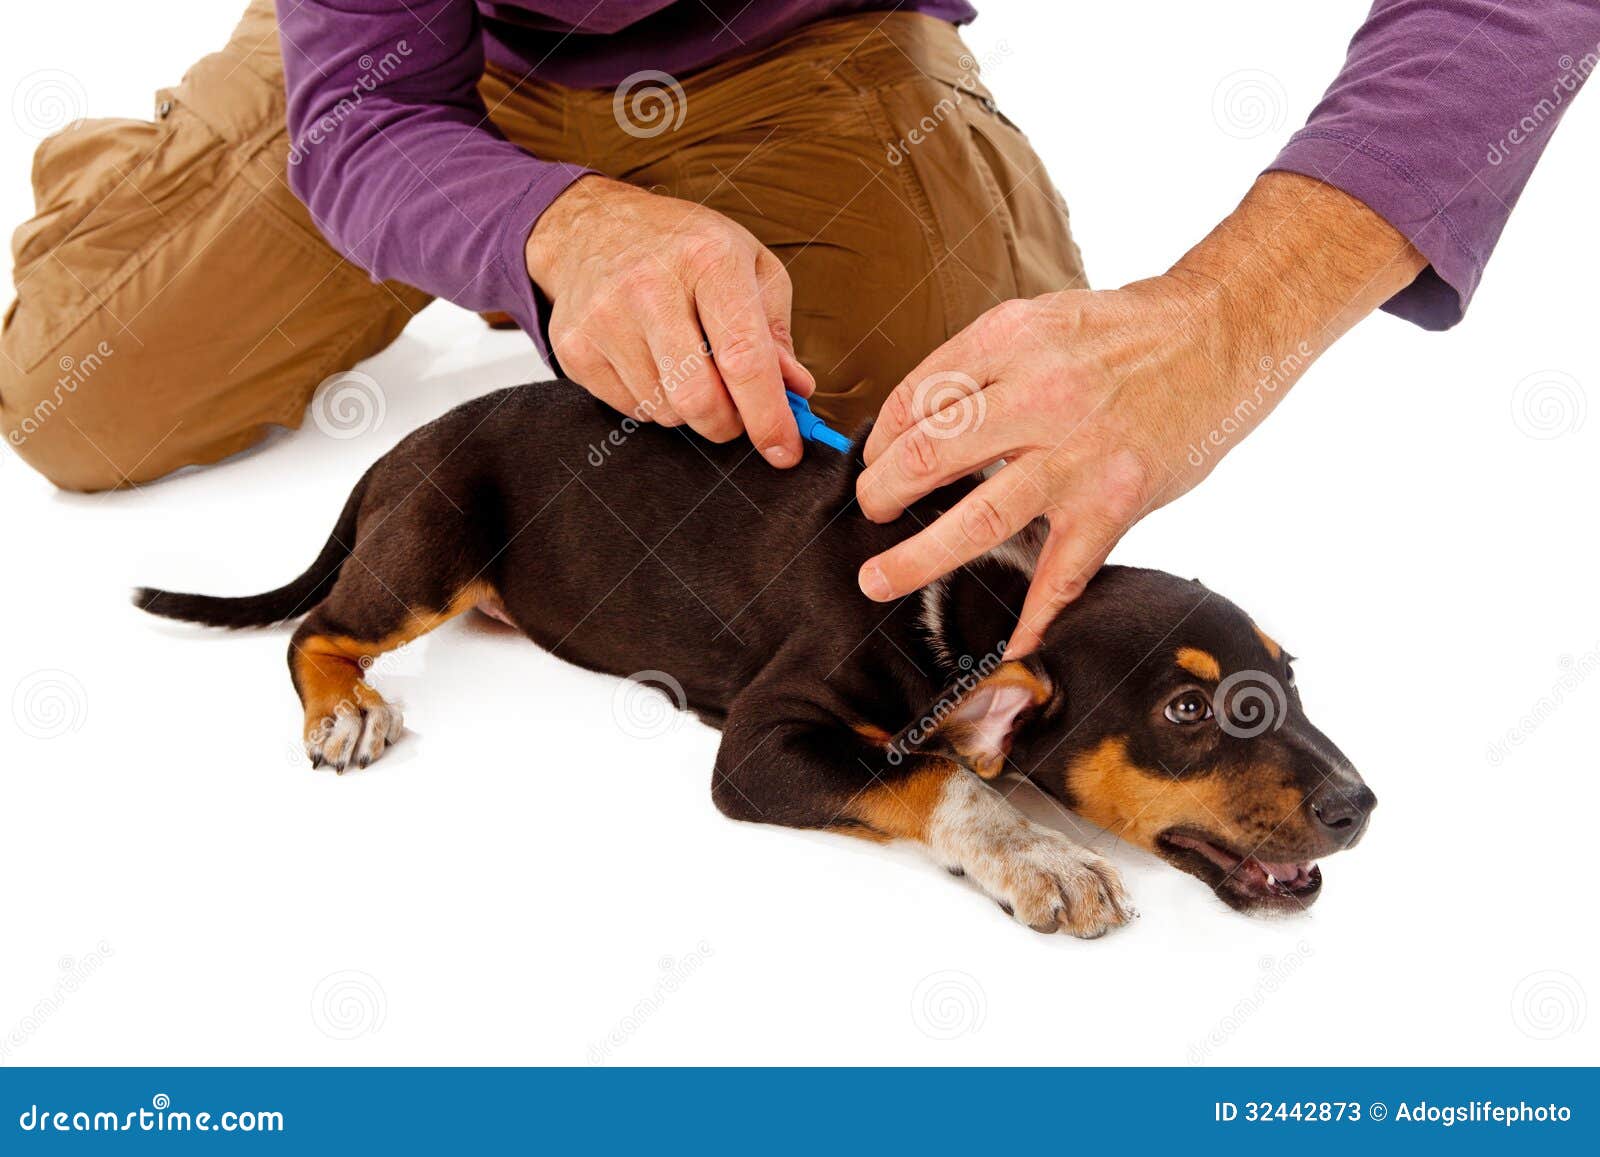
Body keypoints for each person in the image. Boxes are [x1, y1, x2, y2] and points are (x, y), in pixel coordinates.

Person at [3, 1, 1595, 652]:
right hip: (413, 68)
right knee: (74, 402)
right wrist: (544, 225)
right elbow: (360, 111)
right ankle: (239, 167)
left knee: (949, 498)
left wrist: (1223, 318)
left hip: (793, 58)